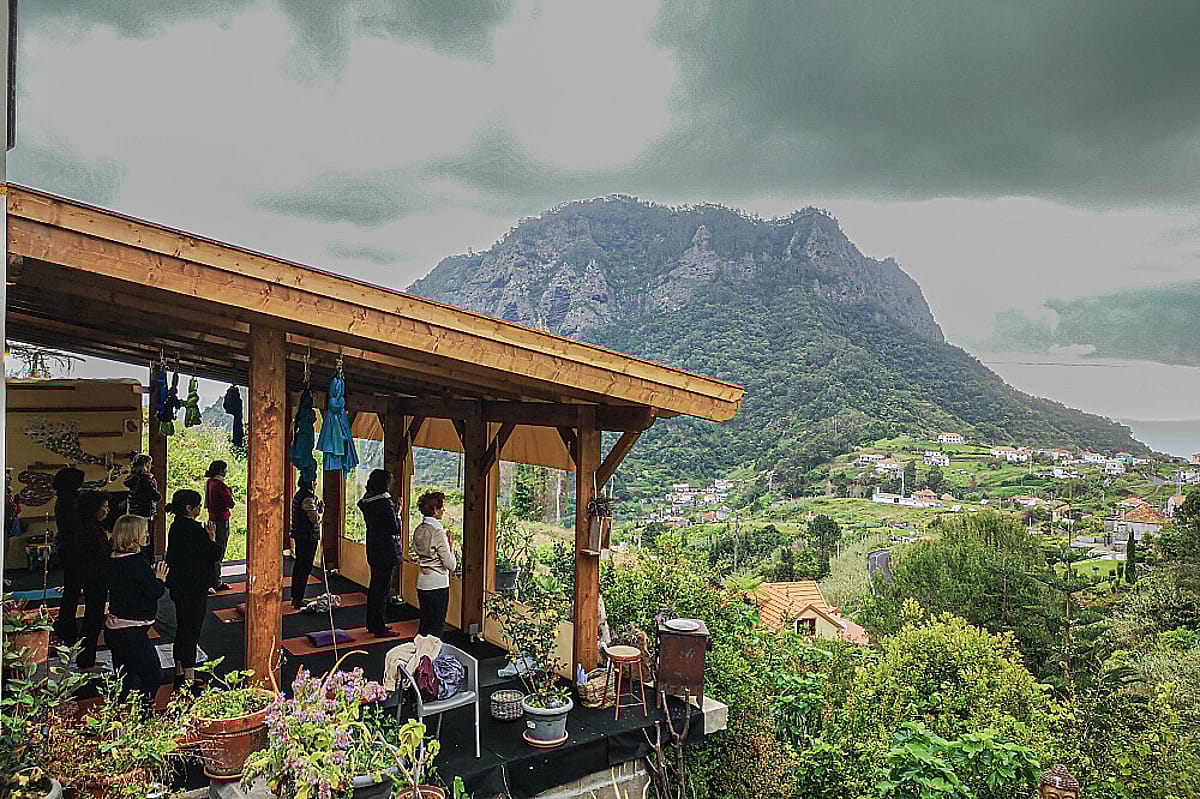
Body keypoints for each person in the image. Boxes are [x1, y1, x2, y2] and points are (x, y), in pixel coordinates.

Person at [105, 514, 168, 715]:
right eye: (144, 531)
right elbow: (154, 591)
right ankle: (143, 714)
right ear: (133, 536)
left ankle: (119, 717)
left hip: (115, 628)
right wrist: (159, 579)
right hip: (131, 631)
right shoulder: (136, 562)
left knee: (125, 678)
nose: (147, 534)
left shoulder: (114, 559)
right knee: (153, 676)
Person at [164, 489, 220, 689]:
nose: (200, 509)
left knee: (182, 629)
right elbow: (214, 554)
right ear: (189, 508)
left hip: (179, 585)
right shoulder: (196, 530)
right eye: (198, 505)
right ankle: (189, 678)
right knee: (191, 632)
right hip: (195, 587)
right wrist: (212, 537)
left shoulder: (176, 526)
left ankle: (179, 672)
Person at [357, 469, 400, 637]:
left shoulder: (368, 500)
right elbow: (393, 527)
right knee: (382, 588)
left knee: (375, 586)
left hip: (373, 545)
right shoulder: (384, 502)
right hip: (386, 549)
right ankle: (379, 626)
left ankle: (373, 622)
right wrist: (398, 513)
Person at [74, 491, 112, 670]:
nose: (108, 510)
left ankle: (87, 658)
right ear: (94, 509)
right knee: (92, 621)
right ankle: (85, 661)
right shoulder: (91, 531)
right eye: (104, 507)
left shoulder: (89, 527)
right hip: (94, 580)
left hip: (94, 579)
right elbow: (101, 556)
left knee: (93, 619)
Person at [51, 466, 85, 645]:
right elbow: (75, 527)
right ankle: (67, 627)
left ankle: (66, 625)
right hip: (73, 549)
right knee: (72, 590)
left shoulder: (65, 499)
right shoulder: (68, 502)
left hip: (68, 547)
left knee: (71, 589)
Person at [289, 476, 323, 610]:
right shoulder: (308, 498)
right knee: (304, 566)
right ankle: (298, 598)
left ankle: (297, 597)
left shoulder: (298, 495)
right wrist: (320, 512)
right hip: (307, 536)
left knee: (299, 566)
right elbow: (314, 519)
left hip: (300, 535)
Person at [204, 460, 235, 594]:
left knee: (212, 549)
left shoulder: (209, 483)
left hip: (212, 517)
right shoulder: (220, 485)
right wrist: (229, 491)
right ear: (221, 471)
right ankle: (217, 581)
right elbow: (230, 503)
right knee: (219, 550)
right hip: (221, 520)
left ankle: (212, 580)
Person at [124, 454, 161, 560]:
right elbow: (156, 496)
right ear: (145, 465)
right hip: (145, 514)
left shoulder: (131, 479)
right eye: (149, 464)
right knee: (147, 542)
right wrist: (154, 486)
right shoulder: (145, 480)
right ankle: (147, 562)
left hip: (134, 513)